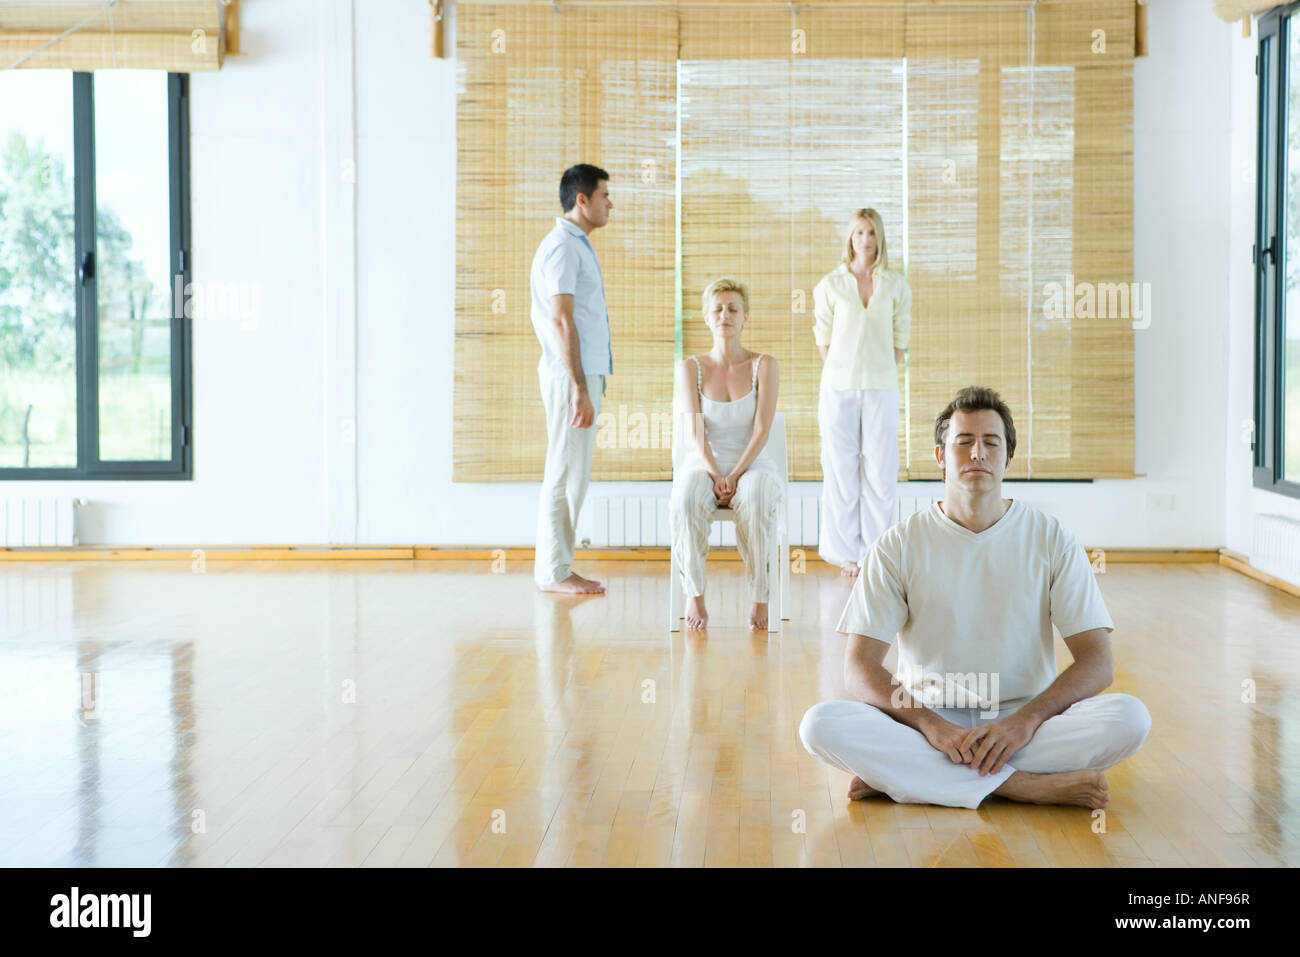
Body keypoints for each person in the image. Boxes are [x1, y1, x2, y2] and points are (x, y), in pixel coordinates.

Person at [798, 386, 1151, 810]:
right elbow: (858, 665)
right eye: (963, 442)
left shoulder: (1052, 538)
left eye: (991, 442)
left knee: (1130, 718)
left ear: (1007, 457)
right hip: (925, 721)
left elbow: (1098, 662)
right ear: (940, 457)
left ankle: (908, 776)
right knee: (819, 725)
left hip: (1023, 723)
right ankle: (1019, 786)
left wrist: (1026, 721)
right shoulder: (898, 544)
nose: (977, 453)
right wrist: (930, 726)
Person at [670, 277, 783, 632]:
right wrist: (716, 473)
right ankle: (695, 594)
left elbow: (763, 429)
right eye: (717, 309)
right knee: (686, 499)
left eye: (733, 308)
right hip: (703, 462)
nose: (725, 315)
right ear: (707, 317)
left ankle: (760, 596)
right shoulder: (690, 368)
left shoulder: (764, 365)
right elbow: (694, 432)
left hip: (752, 463)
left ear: (745, 316)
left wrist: (734, 475)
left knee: (760, 496)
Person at [813, 208, 911, 577]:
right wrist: (843, 370)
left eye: (870, 232)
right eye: (858, 233)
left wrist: (881, 368)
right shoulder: (831, 285)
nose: (865, 240)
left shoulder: (896, 285)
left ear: (879, 237)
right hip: (838, 389)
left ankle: (876, 551)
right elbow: (822, 336)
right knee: (840, 469)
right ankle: (845, 555)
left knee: (880, 471)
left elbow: (901, 335)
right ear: (850, 238)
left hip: (881, 387)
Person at [530, 164, 614, 595]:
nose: (609, 204)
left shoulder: (576, 245)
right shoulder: (562, 247)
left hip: (579, 376)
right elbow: (561, 320)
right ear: (581, 200)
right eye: (604, 196)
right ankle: (554, 572)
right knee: (563, 472)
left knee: (573, 474)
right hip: (570, 379)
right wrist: (580, 387)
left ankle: (557, 568)